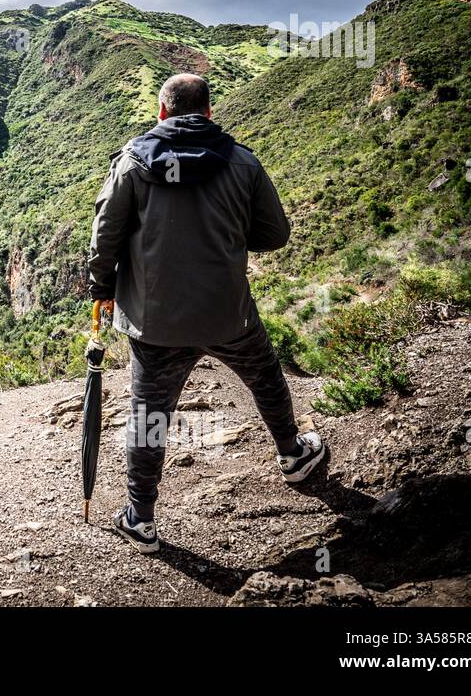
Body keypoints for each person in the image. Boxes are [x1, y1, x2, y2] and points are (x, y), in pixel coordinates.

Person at [87, 73, 326, 554]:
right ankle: (293, 454)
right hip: (228, 311)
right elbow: (275, 234)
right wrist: (229, 238)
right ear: (210, 112)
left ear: (162, 112)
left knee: (148, 413)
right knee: (264, 376)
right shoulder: (242, 162)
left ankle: (141, 518)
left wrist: (103, 288)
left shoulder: (132, 163)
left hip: (155, 322)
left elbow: (104, 238)